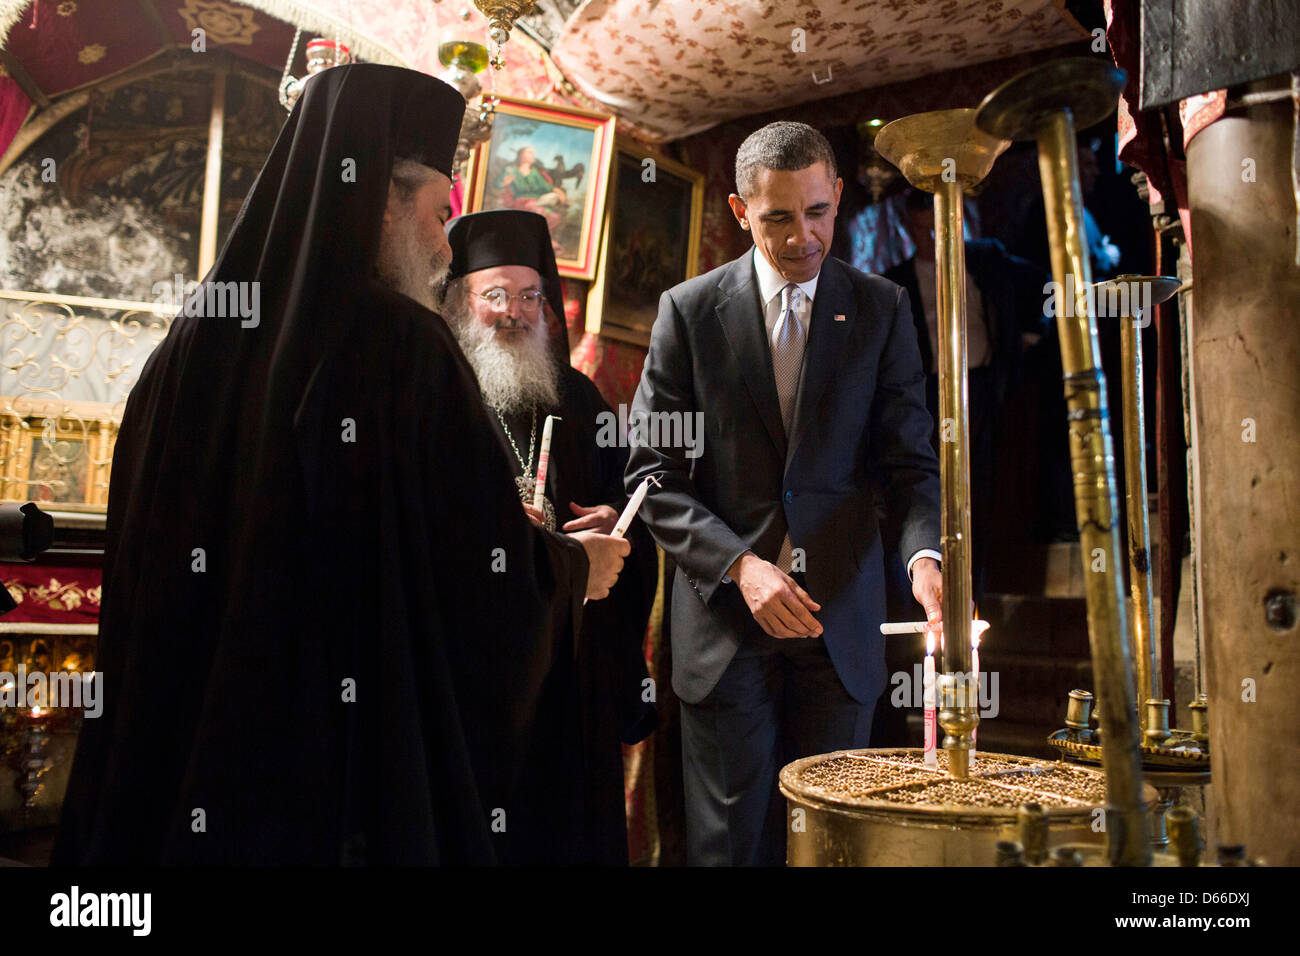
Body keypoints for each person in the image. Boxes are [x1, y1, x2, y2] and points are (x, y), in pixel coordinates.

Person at [53, 64, 629, 866]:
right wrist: (570, 570)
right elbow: (466, 572)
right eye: (436, 215)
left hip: (182, 762)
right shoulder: (397, 343)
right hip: (327, 771)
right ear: (377, 201)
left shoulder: (188, 346)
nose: (442, 246)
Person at [626, 121, 942, 866]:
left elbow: (908, 467)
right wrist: (741, 566)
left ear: (836, 195)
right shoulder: (688, 312)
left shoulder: (883, 309)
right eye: (777, 217)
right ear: (740, 212)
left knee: (829, 844)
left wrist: (923, 554)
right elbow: (652, 476)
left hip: (841, 628)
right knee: (731, 847)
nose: (802, 236)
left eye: (817, 212)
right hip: (725, 631)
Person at [440, 209, 657, 864]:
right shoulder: (439, 401)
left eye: (532, 295)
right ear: (458, 304)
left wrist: (615, 528)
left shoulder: (581, 399)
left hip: (571, 684)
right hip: (475, 690)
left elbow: (633, 522)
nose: (517, 313)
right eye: (496, 296)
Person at [883, 187, 1048, 603]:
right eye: (920, 228)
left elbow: (1039, 282)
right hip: (924, 399)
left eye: (935, 227)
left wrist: (1026, 335)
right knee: (927, 487)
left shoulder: (985, 258)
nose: (929, 237)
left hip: (981, 389)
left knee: (978, 488)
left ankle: (979, 588)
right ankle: (931, 585)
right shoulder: (894, 281)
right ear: (908, 226)